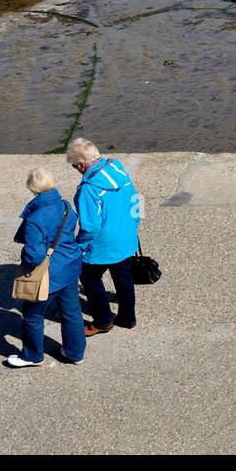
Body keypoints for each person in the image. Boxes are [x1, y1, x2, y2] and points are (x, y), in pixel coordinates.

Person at [8, 168, 86, 367]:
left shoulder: (35, 219)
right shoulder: (66, 206)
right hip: (70, 266)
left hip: (48, 274)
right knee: (72, 312)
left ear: (33, 189)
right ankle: (75, 353)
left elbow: (34, 256)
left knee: (32, 315)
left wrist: (24, 259)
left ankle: (33, 356)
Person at [68, 137, 141, 337]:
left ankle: (103, 321)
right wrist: (133, 228)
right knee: (123, 276)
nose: (77, 170)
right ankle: (127, 318)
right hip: (126, 237)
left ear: (82, 165)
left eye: (75, 166)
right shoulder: (120, 172)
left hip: (103, 244)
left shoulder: (88, 189)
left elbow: (90, 226)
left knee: (89, 277)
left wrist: (79, 246)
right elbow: (136, 201)